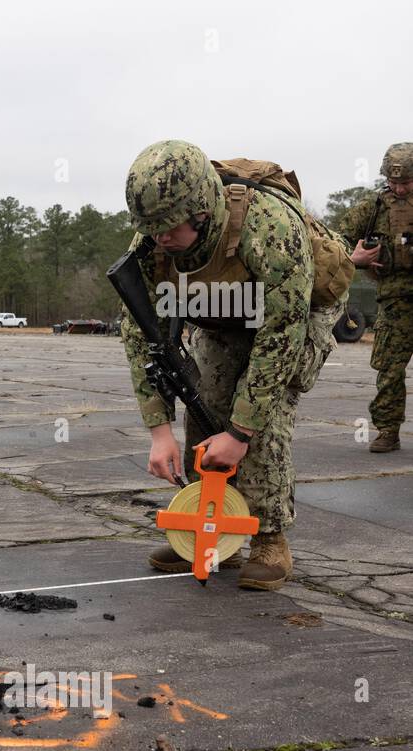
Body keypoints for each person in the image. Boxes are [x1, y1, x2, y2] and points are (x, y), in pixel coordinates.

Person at [119, 140, 341, 591]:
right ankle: (210, 532)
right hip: (225, 310)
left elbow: (280, 338)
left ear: (201, 211)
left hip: (295, 312)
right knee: (206, 404)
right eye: (152, 229)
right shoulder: (152, 237)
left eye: (168, 228)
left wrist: (240, 434)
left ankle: (268, 537)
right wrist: (158, 430)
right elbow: (140, 333)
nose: (159, 238)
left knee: (262, 414)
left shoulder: (270, 227)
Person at [340, 142, 413, 452]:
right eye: (393, 182)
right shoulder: (373, 208)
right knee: (389, 369)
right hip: (394, 301)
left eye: (405, 182)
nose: (398, 188)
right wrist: (357, 258)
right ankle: (388, 429)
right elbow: (335, 242)